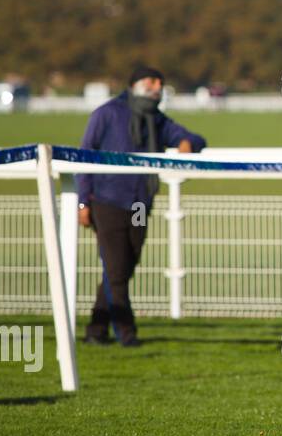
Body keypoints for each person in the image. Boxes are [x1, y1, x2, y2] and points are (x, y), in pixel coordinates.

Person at [76, 66, 207, 346]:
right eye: (151, 82)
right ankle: (127, 333)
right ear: (135, 84)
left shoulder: (155, 119)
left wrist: (186, 143)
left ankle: (96, 330)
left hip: (139, 205)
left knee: (124, 265)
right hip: (107, 201)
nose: (157, 87)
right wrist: (83, 201)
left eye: (160, 82)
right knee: (116, 269)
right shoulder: (107, 114)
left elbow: (193, 138)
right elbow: (84, 155)